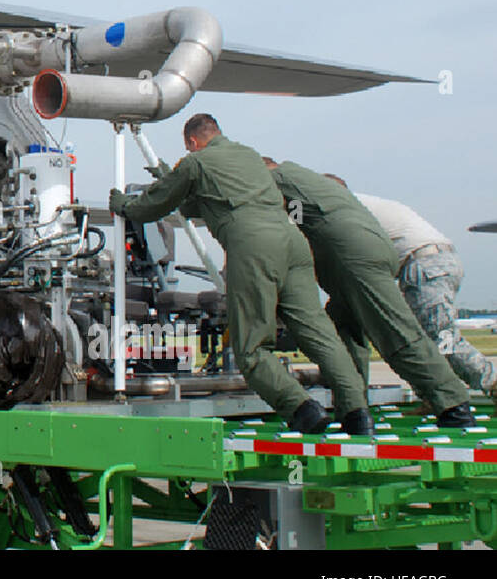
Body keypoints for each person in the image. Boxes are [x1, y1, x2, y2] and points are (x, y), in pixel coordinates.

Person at [109, 114, 367, 433]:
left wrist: (123, 204)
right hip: (293, 243)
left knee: (252, 350)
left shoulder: (196, 162)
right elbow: (197, 204)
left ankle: (303, 410)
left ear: (192, 142)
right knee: (320, 334)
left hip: (255, 245)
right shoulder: (249, 156)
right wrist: (167, 176)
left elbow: (156, 205)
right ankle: (357, 413)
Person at [263, 160, 474, 429]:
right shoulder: (315, 195)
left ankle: (453, 404)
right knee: (343, 329)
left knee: (396, 333)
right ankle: (353, 409)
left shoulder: (288, 185)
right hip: (368, 261)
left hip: (374, 262)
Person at [352, 190, 497, 401]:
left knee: (440, 336)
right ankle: (441, 397)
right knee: (426, 338)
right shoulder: (365, 203)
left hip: (425, 264)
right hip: (435, 261)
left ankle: (490, 383)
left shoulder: (342, 206)